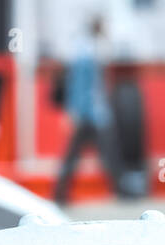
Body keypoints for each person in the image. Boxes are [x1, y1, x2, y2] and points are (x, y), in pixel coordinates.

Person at [54, 17, 125, 205]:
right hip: (92, 114)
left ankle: (60, 192)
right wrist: (75, 112)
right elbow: (81, 87)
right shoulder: (88, 53)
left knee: (76, 155)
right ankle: (120, 190)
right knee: (107, 153)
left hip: (89, 113)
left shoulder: (84, 50)